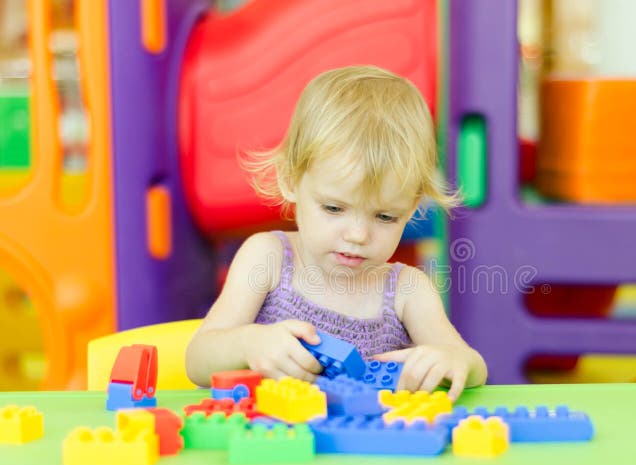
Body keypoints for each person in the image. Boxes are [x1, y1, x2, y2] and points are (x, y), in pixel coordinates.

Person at [185, 65, 487, 400]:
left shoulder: (407, 291)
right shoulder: (268, 258)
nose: (358, 235)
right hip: (274, 445)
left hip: (370, 449)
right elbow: (197, 358)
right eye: (333, 209)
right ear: (291, 180)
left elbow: (472, 365)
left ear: (413, 207)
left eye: (385, 216)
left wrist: (452, 359)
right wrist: (248, 343)